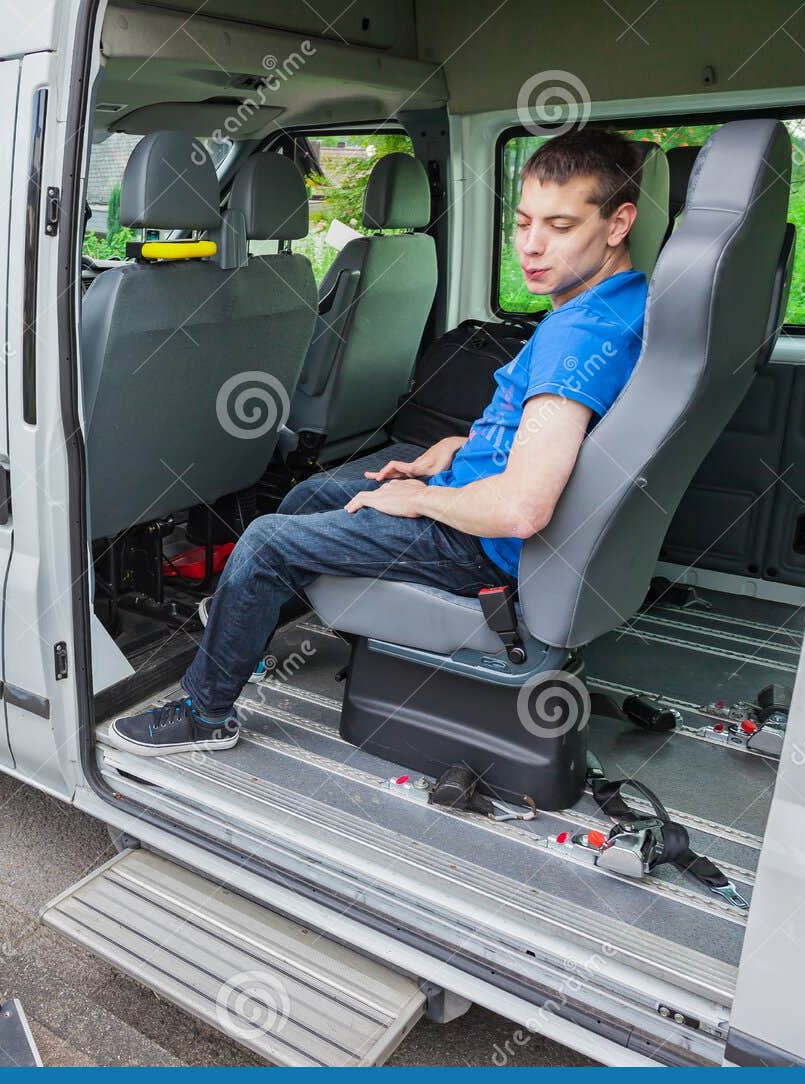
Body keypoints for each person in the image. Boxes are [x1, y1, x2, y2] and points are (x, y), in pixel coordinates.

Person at [110, 128, 651, 757]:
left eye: (560, 226)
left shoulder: (578, 335)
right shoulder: (623, 300)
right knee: (310, 495)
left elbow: (521, 509)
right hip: (476, 505)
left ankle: (205, 713)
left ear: (618, 223)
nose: (530, 246)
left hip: (481, 546)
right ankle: (243, 631)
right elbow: (552, 436)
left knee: (264, 540)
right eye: (525, 221)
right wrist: (459, 446)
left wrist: (418, 499)